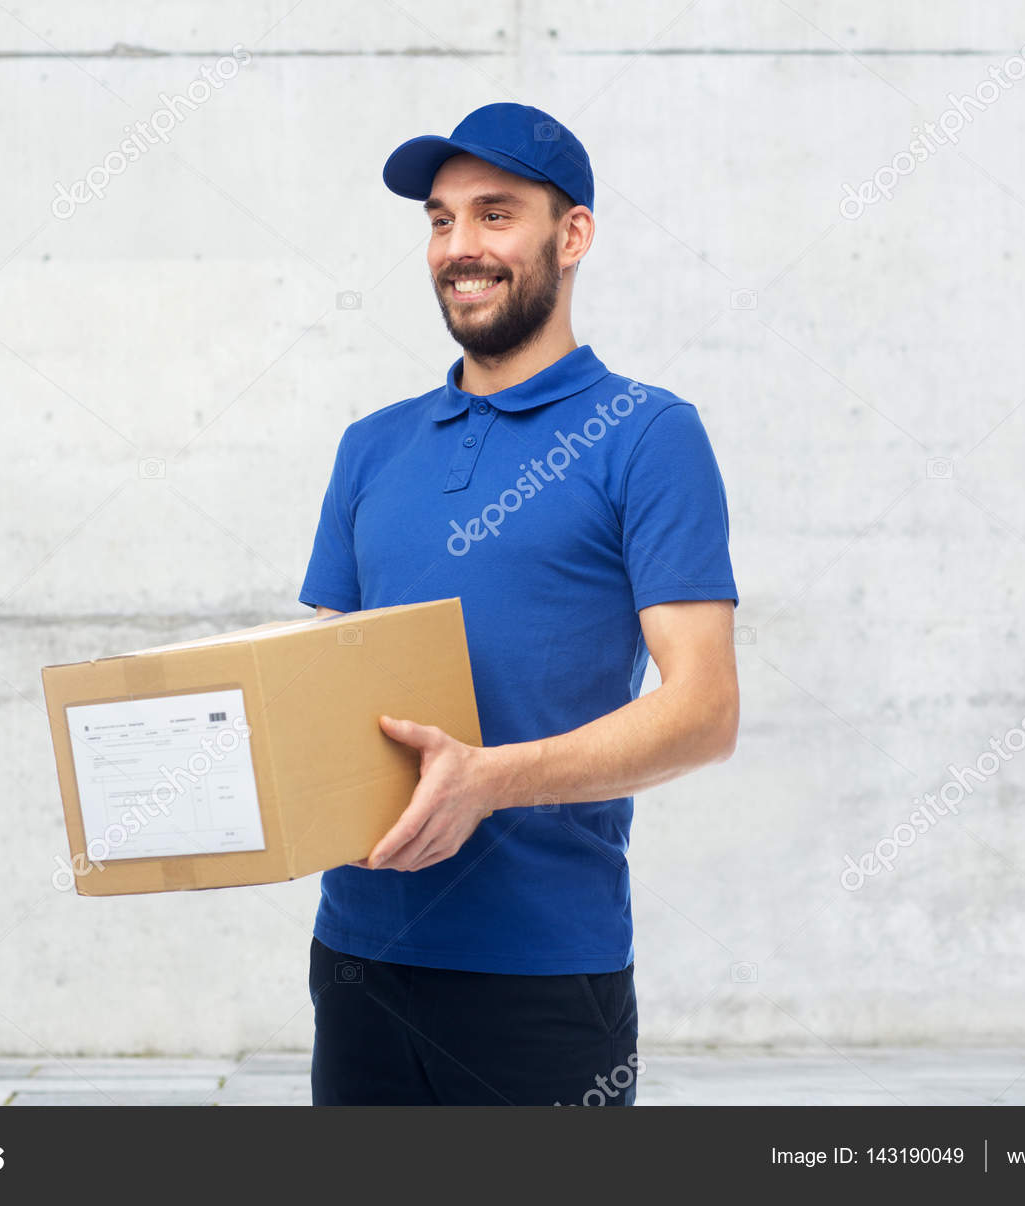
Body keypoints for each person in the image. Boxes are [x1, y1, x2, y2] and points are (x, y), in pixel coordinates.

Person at [299, 101, 741, 1106]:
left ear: (571, 234)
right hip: (357, 957)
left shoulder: (647, 435)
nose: (460, 247)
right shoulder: (371, 443)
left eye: (496, 215)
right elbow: (319, 689)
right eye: (441, 220)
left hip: (541, 971)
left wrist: (488, 780)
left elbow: (705, 710)